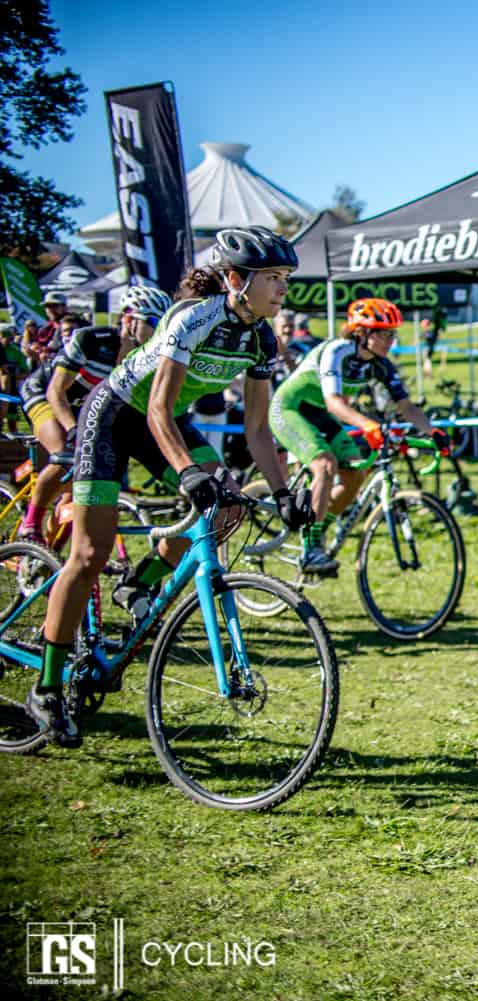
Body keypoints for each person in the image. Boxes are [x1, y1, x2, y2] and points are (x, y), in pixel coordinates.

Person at [26, 226, 314, 748]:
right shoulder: (194, 317)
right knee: (88, 553)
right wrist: (187, 472)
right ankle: (47, 685)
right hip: (114, 418)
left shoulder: (261, 337)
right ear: (235, 279)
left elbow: (256, 429)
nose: (281, 289)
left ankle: (140, 581)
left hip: (167, 424)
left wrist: (285, 490)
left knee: (229, 509)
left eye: (285, 279)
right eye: (272, 278)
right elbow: (156, 407)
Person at [270, 297, 446, 575]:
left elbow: (407, 406)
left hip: (321, 416)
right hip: (291, 409)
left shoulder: (381, 365)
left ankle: (317, 530)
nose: (390, 340)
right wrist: (367, 424)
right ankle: (310, 549)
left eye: (393, 333)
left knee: (356, 474)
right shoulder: (337, 351)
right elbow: (334, 403)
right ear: (362, 333)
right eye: (384, 333)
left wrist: (433, 431)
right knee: (325, 464)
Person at [14, 285, 173, 543]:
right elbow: (56, 391)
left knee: (78, 494)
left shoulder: (146, 360)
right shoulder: (92, 340)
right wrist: (73, 428)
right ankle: (30, 522)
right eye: (154, 322)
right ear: (129, 319)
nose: (161, 331)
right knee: (67, 455)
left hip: (82, 408)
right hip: (44, 394)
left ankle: (49, 556)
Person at [23, 291, 70, 368]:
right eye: (47, 306)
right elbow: (38, 345)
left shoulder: (75, 325)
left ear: (65, 307)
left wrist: (48, 353)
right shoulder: (45, 329)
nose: (50, 310)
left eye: (55, 306)